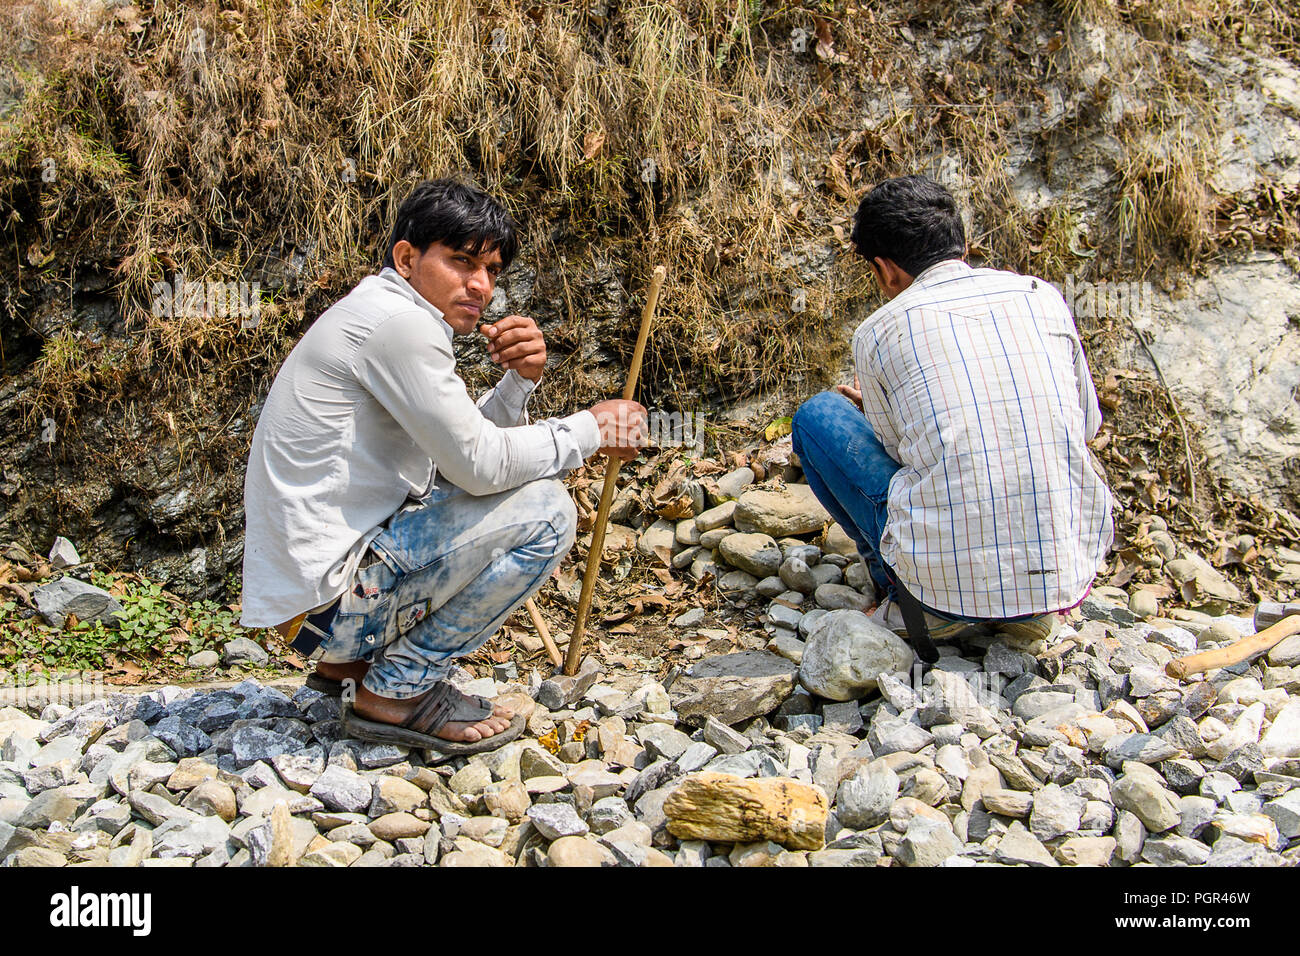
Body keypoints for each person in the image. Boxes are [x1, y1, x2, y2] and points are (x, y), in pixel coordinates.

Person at [239, 177, 646, 753]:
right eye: (461, 262)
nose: (480, 285)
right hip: (332, 611)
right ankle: (398, 691)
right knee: (549, 512)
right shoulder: (400, 327)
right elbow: (479, 468)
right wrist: (592, 429)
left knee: (520, 494)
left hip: (315, 619)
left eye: (492, 270)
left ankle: (349, 670)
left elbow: (456, 465)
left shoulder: (382, 313)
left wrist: (517, 384)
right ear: (407, 258)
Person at [791, 174, 1113, 657]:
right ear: (958, 241)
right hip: (1062, 573)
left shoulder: (879, 331)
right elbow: (1087, 425)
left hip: (946, 588)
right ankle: (1030, 605)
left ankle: (913, 602)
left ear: (885, 268)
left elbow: (902, 455)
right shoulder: (1041, 296)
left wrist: (887, 409)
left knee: (817, 416)